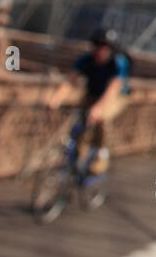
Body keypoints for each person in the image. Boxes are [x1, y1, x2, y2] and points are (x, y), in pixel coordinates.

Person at [46, 27, 130, 176]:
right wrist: (55, 99)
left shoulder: (118, 62)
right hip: (92, 94)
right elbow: (69, 81)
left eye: (103, 46)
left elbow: (113, 88)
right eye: (97, 45)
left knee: (102, 117)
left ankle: (101, 155)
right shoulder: (86, 60)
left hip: (116, 96)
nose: (99, 50)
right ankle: (79, 154)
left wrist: (98, 108)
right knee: (81, 122)